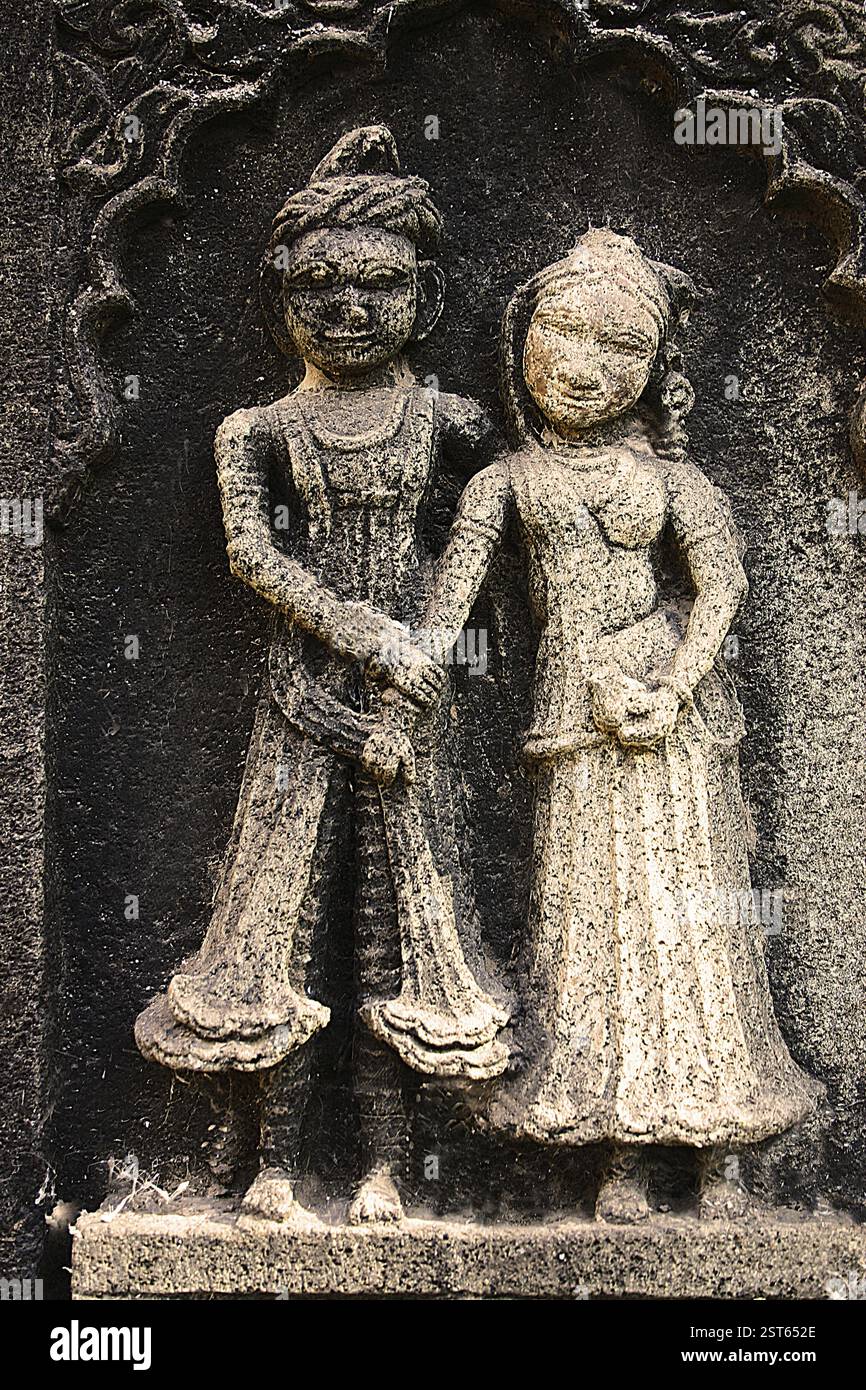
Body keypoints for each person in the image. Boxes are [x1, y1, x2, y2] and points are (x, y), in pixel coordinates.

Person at [135, 126, 507, 1225]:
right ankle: (272, 1163)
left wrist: (424, 647)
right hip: (301, 699)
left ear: (426, 296)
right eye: (320, 286)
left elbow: (480, 541)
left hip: (409, 705)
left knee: (394, 927)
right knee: (278, 926)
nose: (348, 308)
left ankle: (390, 1167)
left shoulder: (447, 422)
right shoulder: (256, 428)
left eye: (378, 286)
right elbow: (254, 556)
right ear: (279, 295)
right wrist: (364, 633)